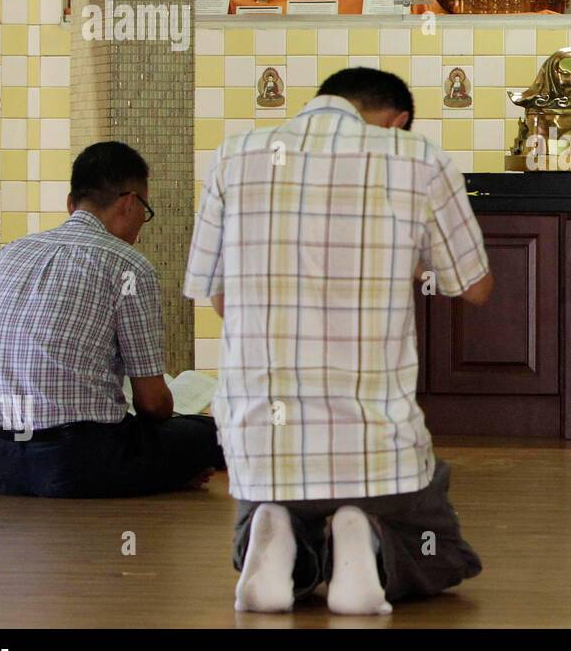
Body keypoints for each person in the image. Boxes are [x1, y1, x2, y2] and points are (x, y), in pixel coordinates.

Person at [185, 68, 494, 614]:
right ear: (397, 123)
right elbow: (475, 288)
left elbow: (220, 299)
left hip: (261, 447)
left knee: (256, 517)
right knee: (442, 550)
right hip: (377, 447)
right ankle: (366, 544)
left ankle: (284, 543)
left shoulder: (234, 156)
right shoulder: (419, 159)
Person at [0, 143, 225, 498]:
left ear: (72, 204)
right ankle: (162, 474)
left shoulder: (8, 253)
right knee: (211, 433)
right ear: (130, 203)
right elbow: (152, 404)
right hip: (72, 462)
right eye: (144, 212)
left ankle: (156, 471)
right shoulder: (129, 266)